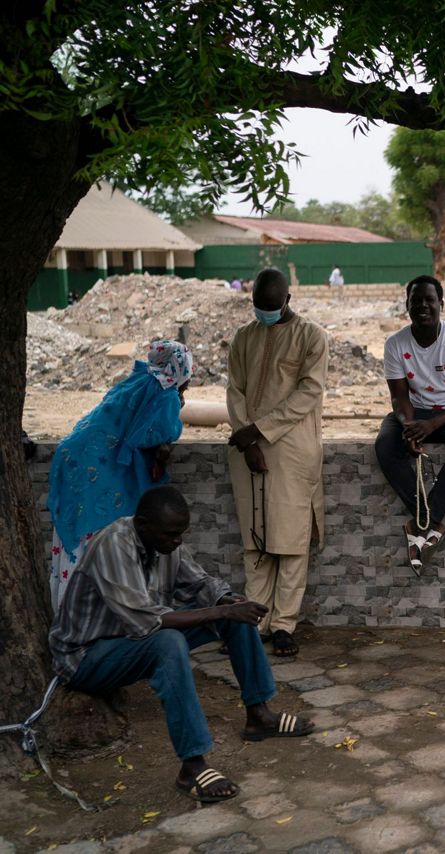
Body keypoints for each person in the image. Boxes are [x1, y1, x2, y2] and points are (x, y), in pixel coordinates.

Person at [49, 486, 314, 804]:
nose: (177, 541)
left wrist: (228, 601)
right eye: (172, 535)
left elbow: (200, 584)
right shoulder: (113, 544)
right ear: (144, 524)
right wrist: (224, 608)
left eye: (181, 534)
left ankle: (260, 715)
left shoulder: (162, 542)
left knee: (234, 614)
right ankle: (192, 765)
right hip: (87, 658)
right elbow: (146, 619)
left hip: (132, 642)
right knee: (169, 642)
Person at [226, 268, 328, 658]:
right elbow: (234, 389)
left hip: (291, 449)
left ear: (289, 300)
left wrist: (261, 431)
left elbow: (309, 393)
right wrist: (245, 435)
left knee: (290, 540)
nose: (264, 314)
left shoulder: (312, 337)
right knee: (256, 539)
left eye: (271, 308)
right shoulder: (243, 337)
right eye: (258, 307)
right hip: (247, 448)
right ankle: (255, 622)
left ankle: (284, 624)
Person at [47, 340, 192, 609]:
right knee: (99, 544)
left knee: (79, 541)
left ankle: (66, 618)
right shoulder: (164, 394)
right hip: (95, 472)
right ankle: (91, 621)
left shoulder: (138, 380)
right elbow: (160, 432)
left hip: (73, 459)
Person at [376, 275, 445, 571]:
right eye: (416, 300)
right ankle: (428, 521)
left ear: (441, 304)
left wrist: (432, 425)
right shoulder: (395, 344)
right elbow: (399, 398)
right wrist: (410, 427)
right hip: (417, 411)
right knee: (386, 444)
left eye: (430, 300)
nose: (423, 305)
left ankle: (421, 526)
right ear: (407, 305)